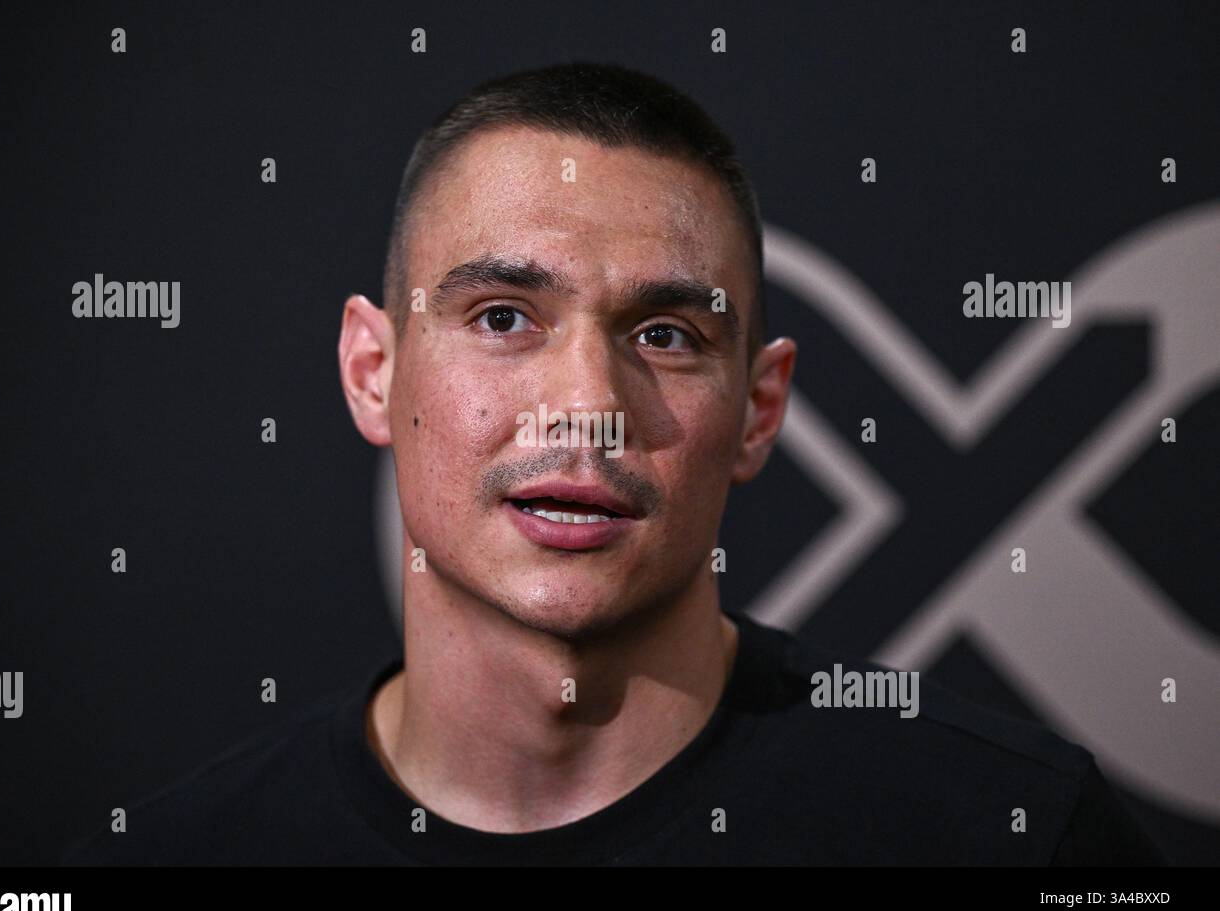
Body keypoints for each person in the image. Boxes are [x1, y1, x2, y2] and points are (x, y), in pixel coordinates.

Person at [62, 61, 1165, 866]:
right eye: (501, 316)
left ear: (757, 409)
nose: (587, 410)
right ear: (371, 371)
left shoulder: (1016, 835)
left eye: (666, 335)